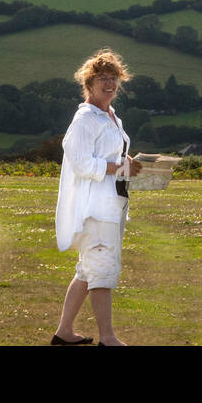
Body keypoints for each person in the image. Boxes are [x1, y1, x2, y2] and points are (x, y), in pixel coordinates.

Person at [51, 49, 142, 346]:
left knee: (88, 270)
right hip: (95, 208)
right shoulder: (85, 119)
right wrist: (120, 166)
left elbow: (109, 154)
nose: (110, 84)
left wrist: (131, 162)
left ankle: (64, 332)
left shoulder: (112, 117)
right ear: (88, 83)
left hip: (113, 204)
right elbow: (81, 163)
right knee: (101, 270)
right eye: (103, 78)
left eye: (114, 79)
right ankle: (108, 338)